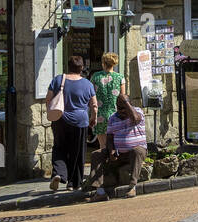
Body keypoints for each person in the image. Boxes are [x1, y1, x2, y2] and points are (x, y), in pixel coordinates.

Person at [47, 55, 97, 191]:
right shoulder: (87, 84)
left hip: (60, 119)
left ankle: (59, 174)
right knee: (78, 152)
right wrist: (93, 118)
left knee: (59, 148)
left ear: (68, 66)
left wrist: (50, 112)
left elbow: (48, 99)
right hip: (80, 121)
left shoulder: (58, 80)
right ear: (81, 68)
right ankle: (74, 184)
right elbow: (94, 105)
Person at [92, 94, 145, 200]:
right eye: (119, 108)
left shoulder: (138, 112)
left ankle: (132, 186)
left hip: (135, 151)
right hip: (119, 153)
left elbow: (135, 119)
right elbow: (110, 137)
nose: (121, 111)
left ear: (129, 105)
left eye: (124, 108)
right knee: (96, 154)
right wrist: (111, 150)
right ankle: (100, 191)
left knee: (137, 151)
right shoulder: (113, 118)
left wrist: (126, 103)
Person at [90, 52, 125, 151]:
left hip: (100, 114)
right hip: (115, 114)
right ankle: (113, 164)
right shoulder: (120, 78)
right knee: (114, 145)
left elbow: (91, 96)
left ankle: (104, 164)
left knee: (102, 146)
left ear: (103, 63)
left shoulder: (95, 77)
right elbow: (123, 98)